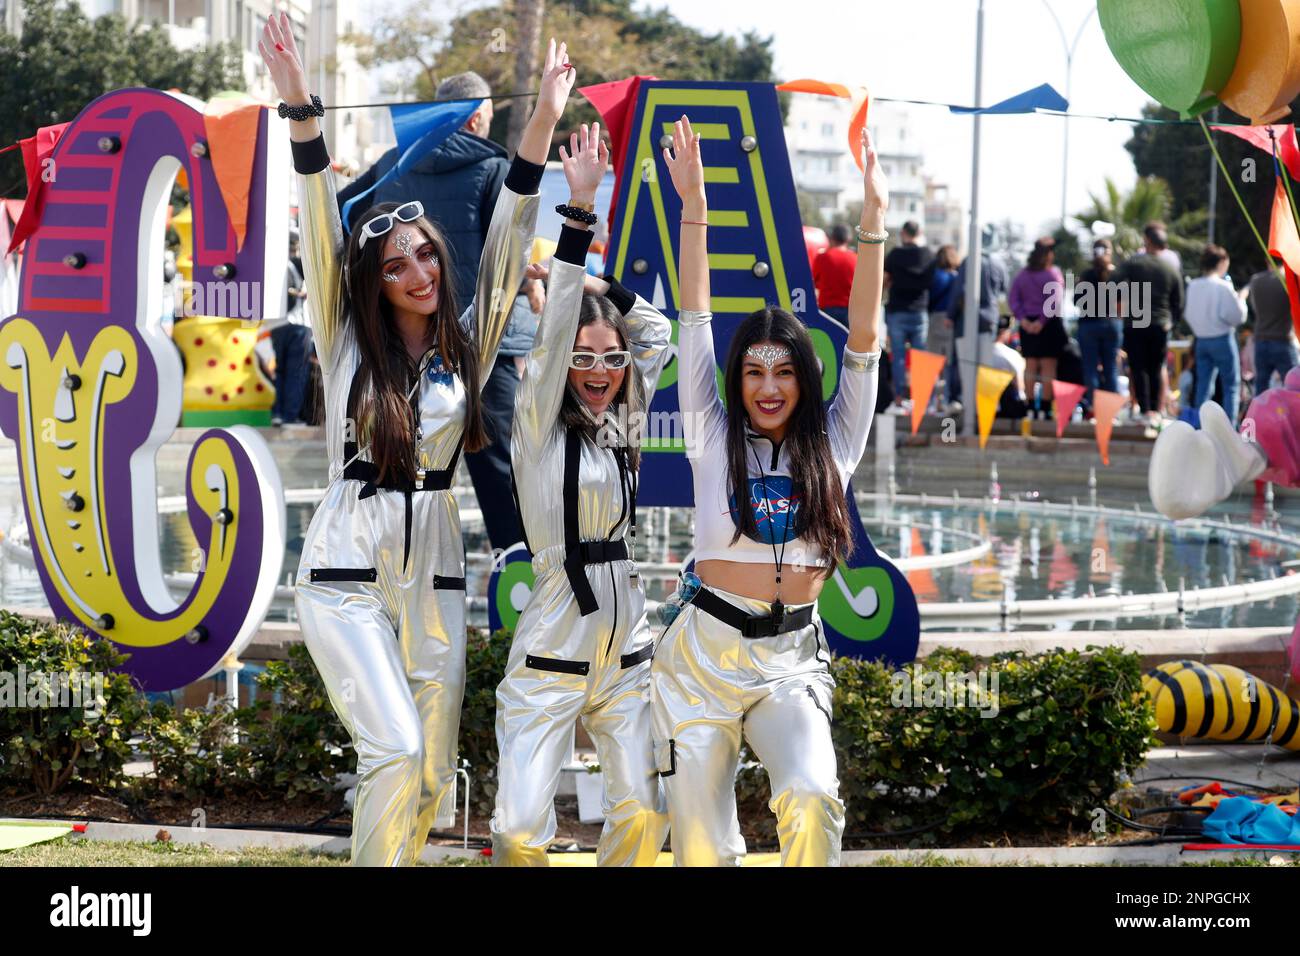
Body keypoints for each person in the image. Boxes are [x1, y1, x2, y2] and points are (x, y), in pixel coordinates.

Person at [260, 17, 575, 865]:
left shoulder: (466, 349)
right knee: (393, 753)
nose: (418, 273)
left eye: (424, 257)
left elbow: (509, 241)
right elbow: (322, 216)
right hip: (344, 573)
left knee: (431, 777)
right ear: (374, 278)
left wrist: (540, 120)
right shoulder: (345, 339)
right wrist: (300, 107)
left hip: (434, 575)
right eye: (397, 264)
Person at [652, 118, 886, 866]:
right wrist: (695, 207)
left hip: (791, 658)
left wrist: (873, 224)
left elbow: (865, 339)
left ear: (803, 379)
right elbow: (695, 317)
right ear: (736, 380)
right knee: (700, 846)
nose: (768, 386)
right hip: (703, 660)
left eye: (783, 371)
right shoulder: (710, 434)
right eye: (754, 372)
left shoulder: (835, 443)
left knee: (813, 797)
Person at [491, 124, 672, 867]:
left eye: (610, 359)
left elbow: (656, 332)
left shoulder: (625, 415)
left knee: (641, 812)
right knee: (519, 828)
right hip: (553, 643)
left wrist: (605, 284)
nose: (599, 369)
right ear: (560, 364)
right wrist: (580, 215)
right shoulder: (537, 420)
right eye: (583, 359)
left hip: (626, 644)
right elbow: (558, 316)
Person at [338, 70, 527, 552]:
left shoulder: (392, 162)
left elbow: (340, 214)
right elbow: (507, 258)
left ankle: (386, 568)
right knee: (499, 468)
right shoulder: (492, 168)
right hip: (480, 345)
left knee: (397, 466)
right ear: (479, 116)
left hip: (396, 344)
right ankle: (516, 590)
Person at [1113, 224, 1182, 427]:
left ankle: (1144, 409)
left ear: (1147, 241)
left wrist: (1119, 303)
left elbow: (1113, 280)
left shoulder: (1134, 263)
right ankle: (1156, 410)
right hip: (1160, 325)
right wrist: (1172, 323)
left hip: (1135, 322)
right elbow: (1179, 301)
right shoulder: (1170, 269)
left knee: (1138, 366)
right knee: (1156, 367)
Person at [1184, 243, 1247, 425]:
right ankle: (1230, 429)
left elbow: (1188, 313)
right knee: (1231, 386)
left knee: (1203, 386)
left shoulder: (1193, 285)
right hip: (1222, 338)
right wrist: (1241, 300)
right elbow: (1237, 316)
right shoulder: (1223, 286)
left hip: (1201, 340)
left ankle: (1198, 426)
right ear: (1221, 263)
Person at [1008, 238, 1067, 418]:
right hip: (1048, 324)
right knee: (1048, 366)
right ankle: (1045, 409)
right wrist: (1041, 322)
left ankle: (1031, 406)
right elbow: (1055, 300)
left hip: (1029, 323)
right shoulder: (1053, 273)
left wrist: (1024, 320)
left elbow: (1013, 299)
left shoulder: (1022, 275)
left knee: (1031, 365)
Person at [945, 249, 1009, 411]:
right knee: (986, 364)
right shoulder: (999, 263)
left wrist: (950, 315)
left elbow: (960, 290)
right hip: (990, 319)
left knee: (965, 365)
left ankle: (965, 404)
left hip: (966, 320)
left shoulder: (969, 261)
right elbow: (1003, 291)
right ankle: (987, 405)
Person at [882, 220, 934, 409]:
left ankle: (899, 397)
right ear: (919, 233)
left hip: (897, 311)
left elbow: (885, 279)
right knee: (921, 356)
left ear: (904, 233)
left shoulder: (895, 254)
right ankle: (922, 399)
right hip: (920, 311)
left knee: (898, 356)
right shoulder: (928, 254)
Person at [1073, 237, 1122, 413]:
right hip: (1111, 324)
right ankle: (1111, 412)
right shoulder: (1117, 275)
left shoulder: (1085, 275)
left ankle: (1093, 408)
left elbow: (1077, 301)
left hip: (1089, 325)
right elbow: (1121, 306)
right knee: (1111, 369)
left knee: (1090, 369)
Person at [271, 234, 313, 425]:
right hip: (297, 325)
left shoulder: (269, 266)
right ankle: (290, 415)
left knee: (278, 371)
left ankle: (277, 412)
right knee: (296, 372)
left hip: (273, 326)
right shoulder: (296, 266)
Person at [1247, 265, 1299, 396]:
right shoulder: (1289, 280)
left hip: (1261, 339)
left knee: (1261, 388)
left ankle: (1258, 416)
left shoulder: (1256, 280)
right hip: (1283, 339)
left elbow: (1254, 307)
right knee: (1294, 386)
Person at [813, 223, 856, 322]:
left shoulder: (823, 257)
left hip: (827, 308)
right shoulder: (855, 258)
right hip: (850, 310)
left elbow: (814, 281)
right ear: (848, 239)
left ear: (832, 238)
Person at [989, 315, 1027, 419]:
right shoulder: (1013, 355)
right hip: (1005, 409)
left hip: (981, 406)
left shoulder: (978, 352)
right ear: (1006, 332)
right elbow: (1020, 387)